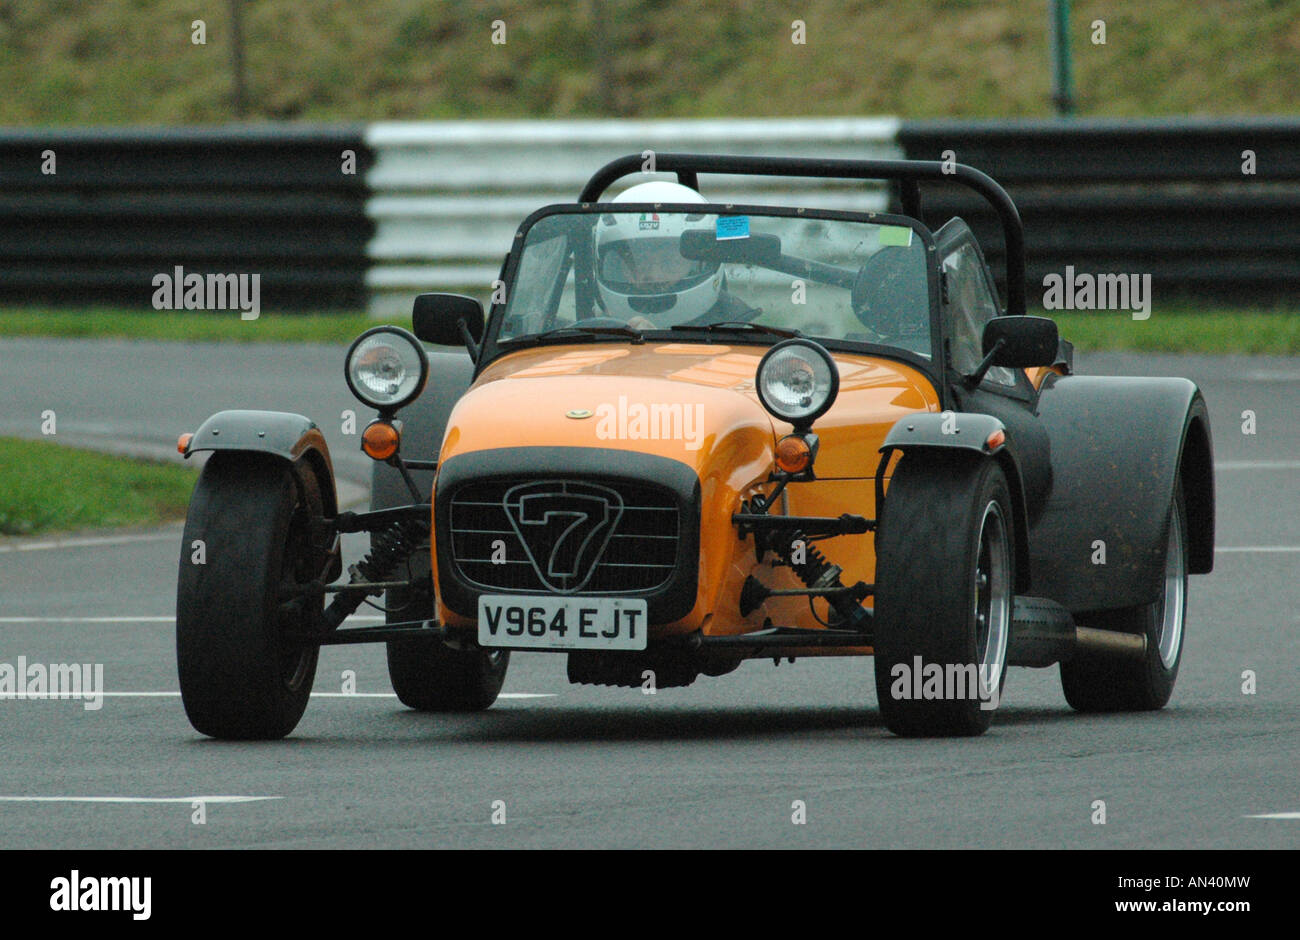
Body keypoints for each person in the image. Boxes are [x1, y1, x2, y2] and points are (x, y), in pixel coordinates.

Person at [594, 180, 757, 329]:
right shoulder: (589, 335)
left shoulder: (744, 338)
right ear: (614, 267)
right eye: (639, 263)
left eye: (669, 262)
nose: (655, 275)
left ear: (704, 262)